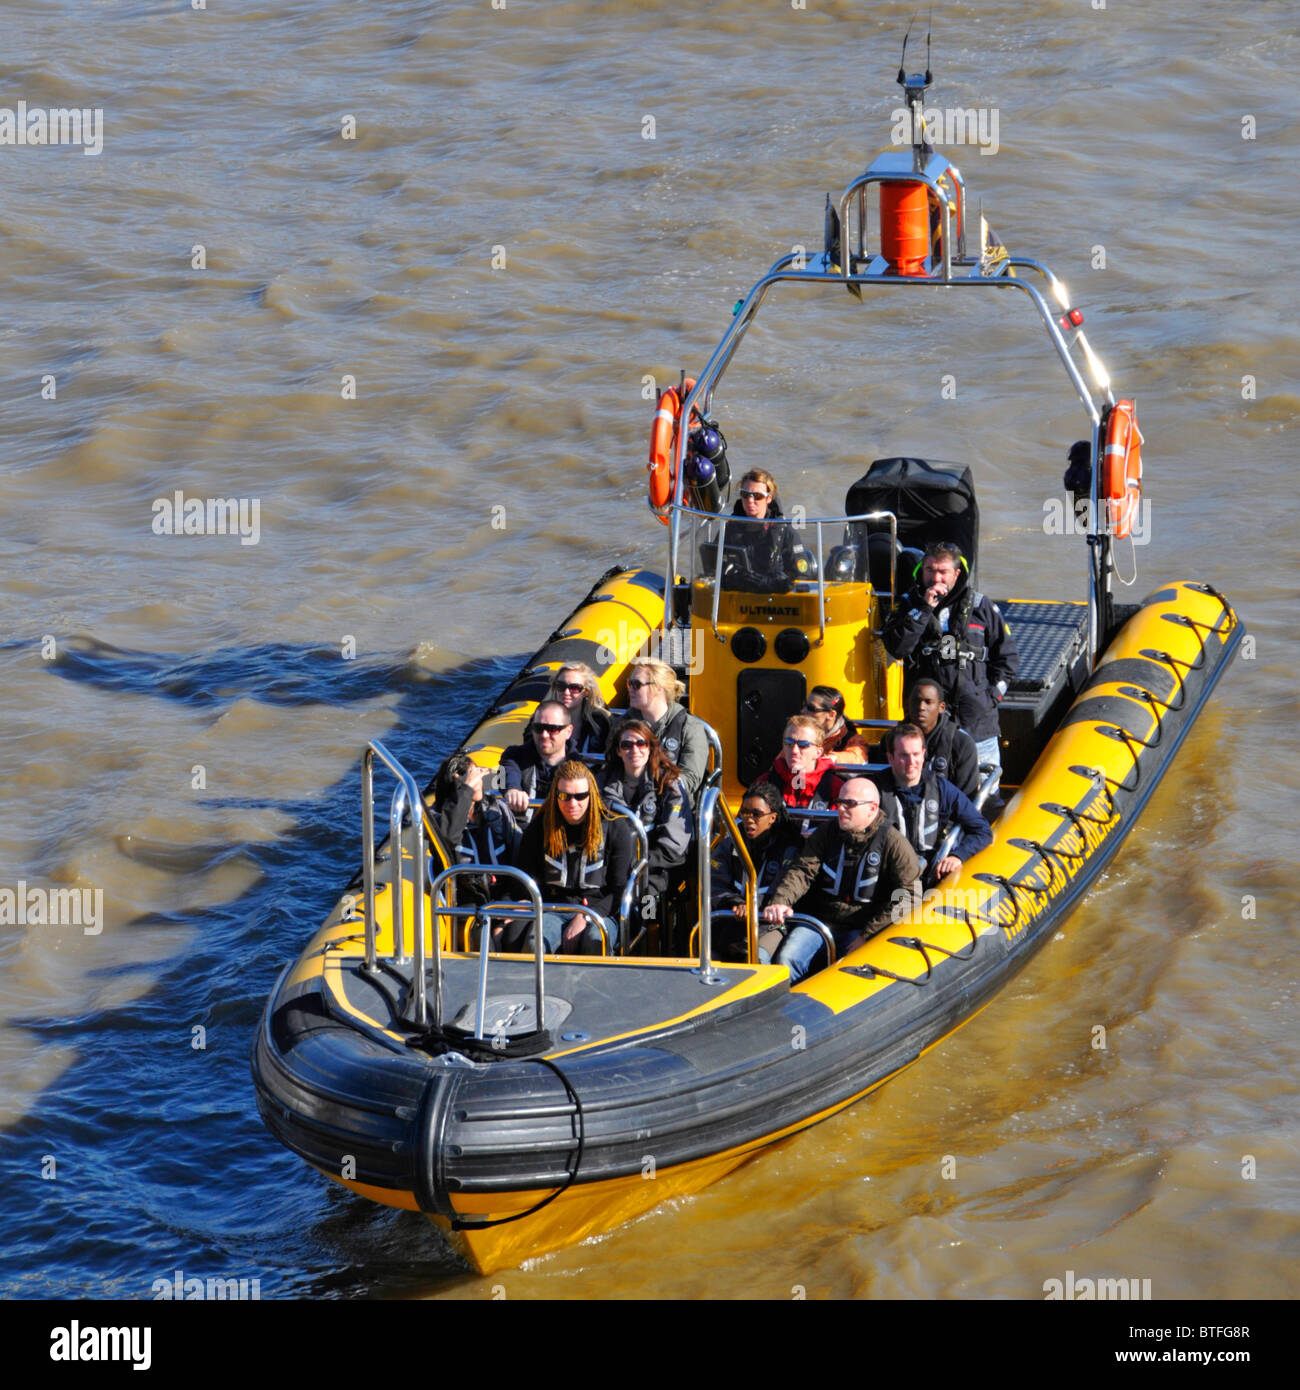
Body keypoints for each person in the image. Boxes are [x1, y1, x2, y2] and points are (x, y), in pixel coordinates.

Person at [881, 540, 1019, 788]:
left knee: (984, 794)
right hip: (925, 727)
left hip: (977, 724)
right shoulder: (908, 606)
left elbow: (1008, 658)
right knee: (921, 790)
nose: (936, 578)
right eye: (930, 570)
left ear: (956, 573)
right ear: (921, 571)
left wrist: (991, 697)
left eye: (943, 571)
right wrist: (924, 609)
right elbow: (897, 648)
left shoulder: (982, 607)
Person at [761, 777, 922, 983]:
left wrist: (868, 935)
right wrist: (781, 901)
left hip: (863, 926)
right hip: (821, 921)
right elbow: (802, 870)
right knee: (787, 959)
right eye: (839, 802)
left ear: (872, 809)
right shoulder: (826, 833)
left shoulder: (893, 842)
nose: (841, 809)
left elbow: (910, 894)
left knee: (852, 971)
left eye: (850, 803)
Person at [510, 761, 637, 955]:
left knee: (594, 941)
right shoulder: (540, 826)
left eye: (580, 796)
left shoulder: (615, 827)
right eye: (564, 796)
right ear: (555, 794)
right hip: (554, 908)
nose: (572, 803)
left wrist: (586, 916)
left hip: (602, 910)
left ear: (591, 795)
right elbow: (526, 877)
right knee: (536, 944)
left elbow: (620, 890)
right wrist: (523, 902)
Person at [871, 723, 991, 882]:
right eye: (903, 755)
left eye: (915, 754)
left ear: (923, 754)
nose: (911, 761)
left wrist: (957, 856)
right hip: (884, 876)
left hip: (929, 877)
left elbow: (982, 830)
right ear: (890, 758)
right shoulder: (872, 789)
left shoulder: (941, 788)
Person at [430, 753, 522, 945]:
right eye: (470, 776)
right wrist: (465, 791)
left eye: (477, 774)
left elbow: (518, 856)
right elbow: (447, 839)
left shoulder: (497, 811)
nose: (477, 781)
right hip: (468, 905)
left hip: (504, 897)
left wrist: (513, 900)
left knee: (521, 932)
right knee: (483, 937)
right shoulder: (438, 819)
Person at [597, 718, 693, 901]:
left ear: (650, 748)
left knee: (647, 909)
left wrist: (640, 864)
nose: (634, 750)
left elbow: (674, 845)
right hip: (609, 867)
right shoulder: (600, 785)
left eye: (641, 743)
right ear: (618, 751)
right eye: (626, 745)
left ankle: (648, 918)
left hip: (654, 871)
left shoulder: (669, 785)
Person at [709, 781, 800, 962]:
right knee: (707, 957)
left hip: (772, 924)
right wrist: (737, 904)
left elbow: (787, 888)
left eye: (756, 814)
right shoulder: (729, 844)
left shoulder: (789, 848)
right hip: (732, 919)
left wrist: (758, 909)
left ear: (772, 817)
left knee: (758, 958)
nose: (749, 819)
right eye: (745, 813)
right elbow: (714, 884)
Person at [625, 656, 709, 799]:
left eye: (636, 684)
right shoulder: (622, 725)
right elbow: (610, 769)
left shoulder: (690, 728)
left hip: (673, 805)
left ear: (659, 688)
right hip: (626, 801)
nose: (630, 689)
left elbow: (690, 780)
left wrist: (650, 785)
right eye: (629, 684)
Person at [755, 717, 839, 830]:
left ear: (818, 752)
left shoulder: (837, 788)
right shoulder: (765, 783)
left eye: (803, 745)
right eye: (789, 743)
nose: (794, 750)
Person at [722, 467, 797, 588]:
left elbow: (800, 577)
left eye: (757, 496)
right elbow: (712, 568)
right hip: (736, 595)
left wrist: (771, 584)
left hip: (773, 596)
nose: (750, 500)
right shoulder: (729, 529)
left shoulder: (785, 531)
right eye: (745, 494)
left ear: (769, 498)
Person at [904, 679, 980, 798]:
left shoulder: (962, 745)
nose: (921, 707)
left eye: (928, 702)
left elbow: (966, 799)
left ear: (941, 707)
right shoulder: (891, 740)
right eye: (916, 701)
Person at [501, 701, 572, 819]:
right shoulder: (513, 756)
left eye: (552, 729)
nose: (544, 735)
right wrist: (512, 790)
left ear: (568, 731)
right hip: (525, 827)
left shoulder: (582, 765)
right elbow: (503, 776)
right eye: (539, 728)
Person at [545, 663, 611, 763]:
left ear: (586, 692)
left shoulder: (601, 723)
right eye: (561, 686)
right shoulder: (541, 720)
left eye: (574, 688)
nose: (566, 692)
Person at [800, 685, 870, 764]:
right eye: (804, 705)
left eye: (811, 708)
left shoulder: (852, 740)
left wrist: (833, 757)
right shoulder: (797, 733)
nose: (803, 711)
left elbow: (857, 757)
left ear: (831, 714)